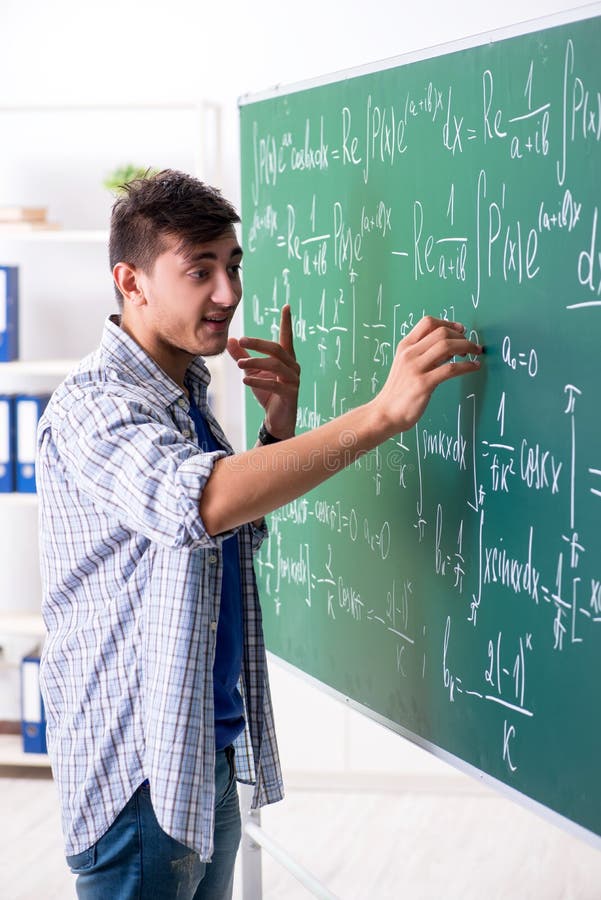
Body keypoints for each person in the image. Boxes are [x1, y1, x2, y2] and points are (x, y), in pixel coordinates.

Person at [36, 169, 483, 899]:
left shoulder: (184, 393)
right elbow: (203, 504)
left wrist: (277, 430)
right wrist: (380, 415)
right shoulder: (95, 405)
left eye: (233, 265)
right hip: (138, 769)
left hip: (198, 745)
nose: (228, 293)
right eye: (200, 271)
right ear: (131, 281)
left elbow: (222, 540)